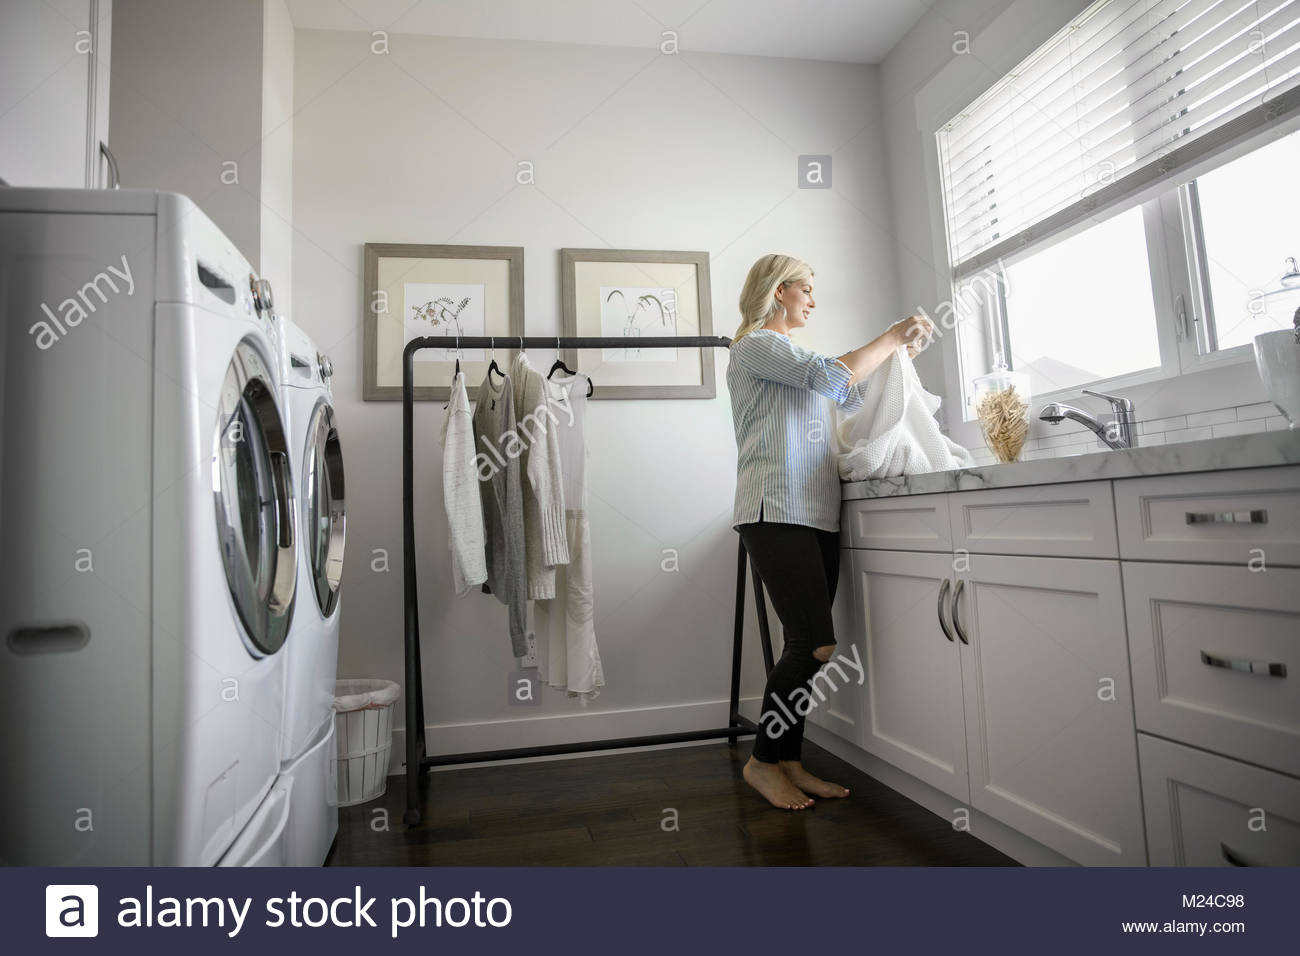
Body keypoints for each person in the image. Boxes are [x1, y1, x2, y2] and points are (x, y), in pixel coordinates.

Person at [728, 253, 933, 810]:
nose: (814, 301)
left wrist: (900, 356)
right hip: (774, 509)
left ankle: (789, 760)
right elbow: (833, 375)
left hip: (817, 510)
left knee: (813, 650)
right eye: (808, 290)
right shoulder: (755, 345)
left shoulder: (793, 355)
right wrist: (889, 336)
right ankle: (761, 763)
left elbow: (850, 394)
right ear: (778, 291)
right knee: (812, 643)